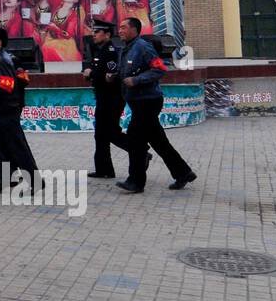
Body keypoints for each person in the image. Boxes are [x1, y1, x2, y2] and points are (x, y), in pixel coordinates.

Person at [115, 18, 196, 193]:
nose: (119, 30)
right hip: (138, 101)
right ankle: (183, 172)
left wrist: (136, 80)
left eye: (123, 27)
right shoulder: (126, 49)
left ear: (134, 30)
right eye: (119, 28)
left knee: (135, 139)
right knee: (159, 141)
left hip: (148, 101)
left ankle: (136, 181)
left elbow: (159, 69)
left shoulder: (143, 47)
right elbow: (125, 73)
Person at [0, 26, 39, 190]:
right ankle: (9, 176)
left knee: (17, 148)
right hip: (0, 112)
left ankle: (36, 182)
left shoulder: (2, 60)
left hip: (7, 112)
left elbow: (7, 86)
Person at [83, 19, 134, 179]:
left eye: (97, 32)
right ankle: (104, 169)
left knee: (109, 132)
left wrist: (91, 74)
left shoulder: (110, 51)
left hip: (111, 99)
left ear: (107, 34)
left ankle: (139, 151)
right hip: (103, 97)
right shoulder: (100, 50)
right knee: (101, 134)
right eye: (93, 32)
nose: (94, 35)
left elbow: (109, 77)